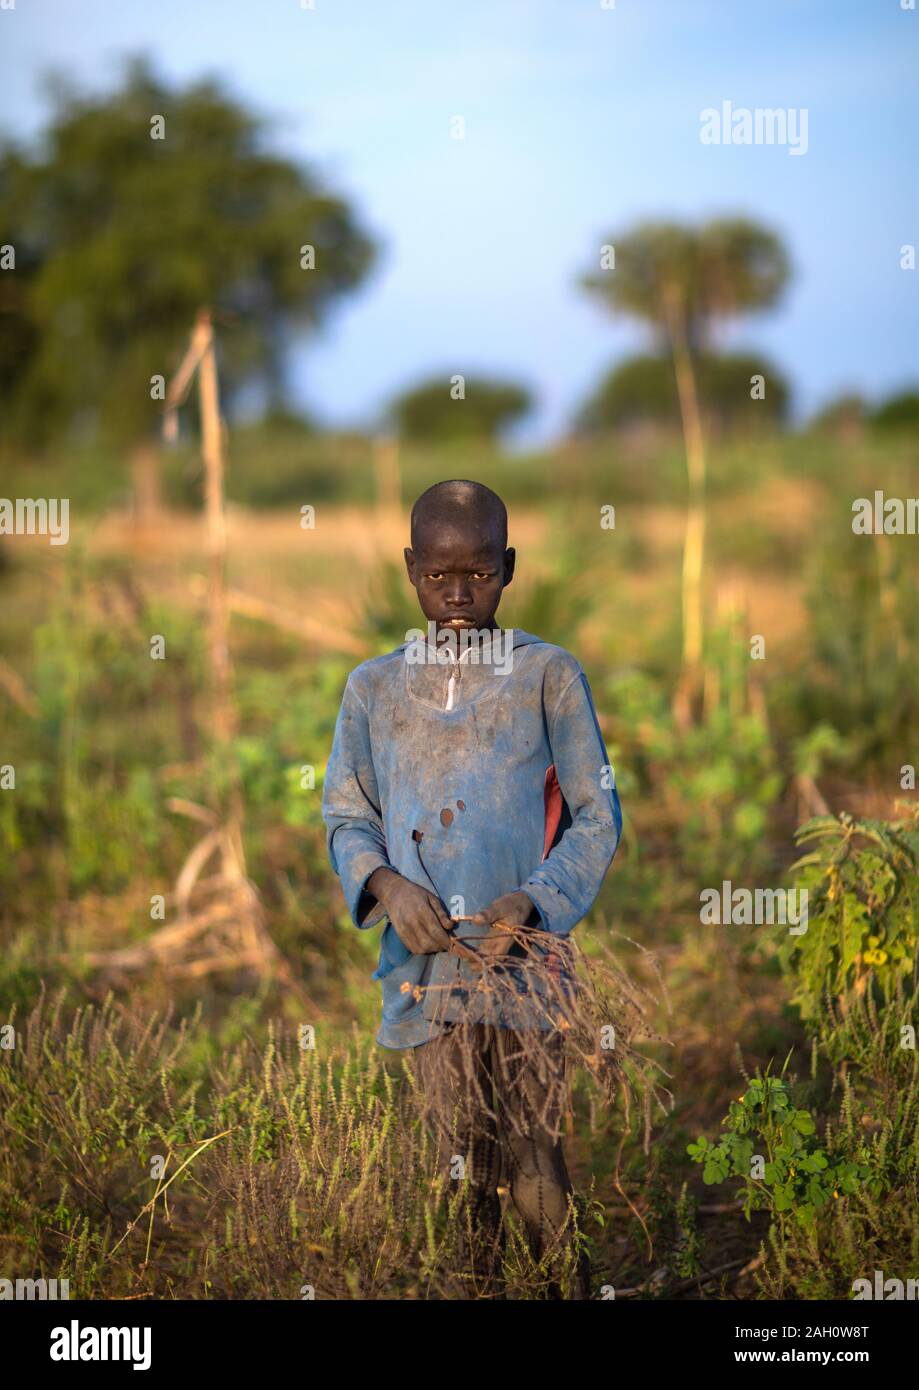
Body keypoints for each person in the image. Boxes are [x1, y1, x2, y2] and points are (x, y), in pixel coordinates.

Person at [322, 479, 622, 1297]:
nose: (458, 595)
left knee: (535, 1150)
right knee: (457, 1157)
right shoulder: (372, 690)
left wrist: (532, 902)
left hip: (524, 959)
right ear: (410, 569)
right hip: (424, 970)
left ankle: (560, 1284)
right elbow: (347, 816)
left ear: (509, 567)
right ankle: (473, 1286)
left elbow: (597, 817)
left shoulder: (547, 677)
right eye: (438, 575)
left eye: (480, 574)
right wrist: (385, 884)